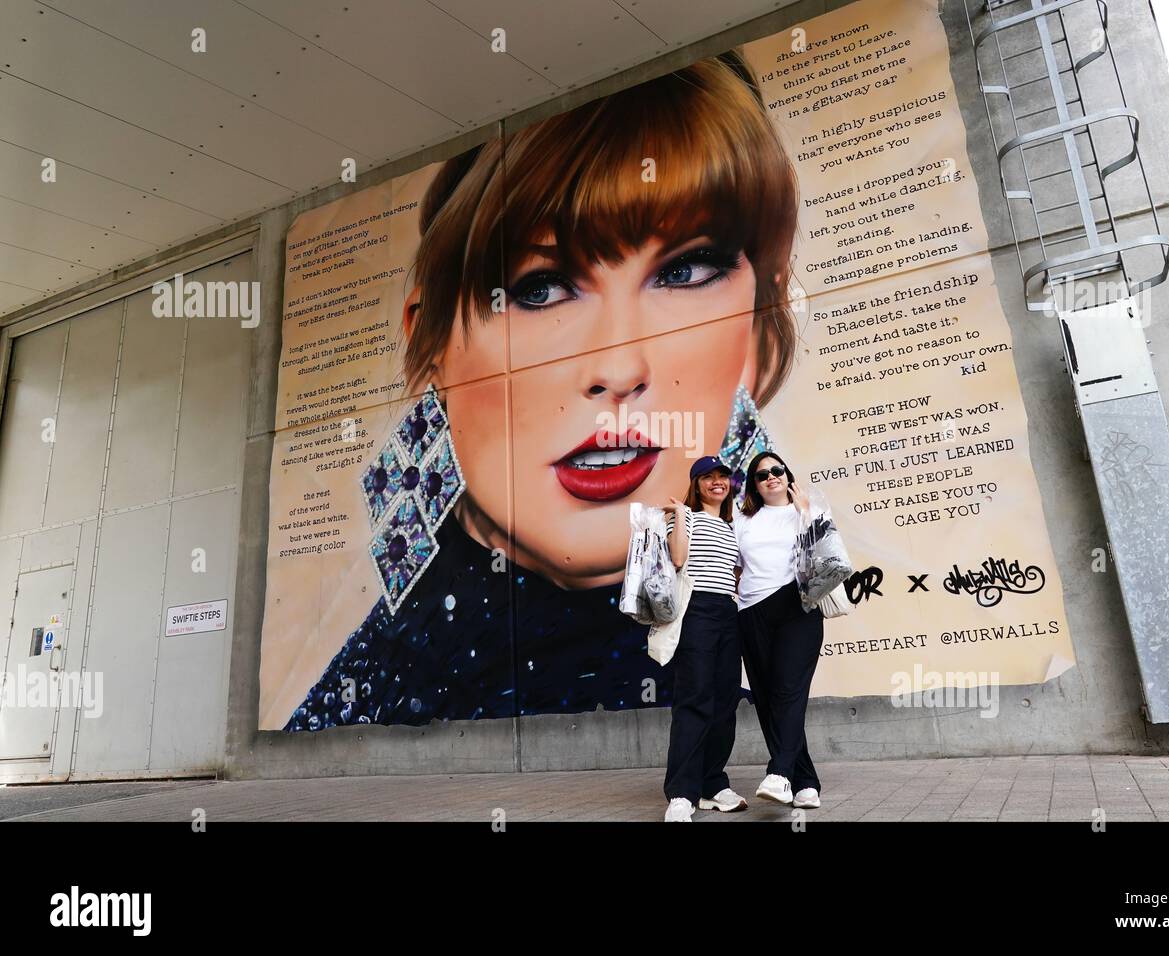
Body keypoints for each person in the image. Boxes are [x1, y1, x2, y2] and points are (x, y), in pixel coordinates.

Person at [283, 50, 800, 729]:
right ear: (430, 343)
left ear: (759, 331)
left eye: (685, 271)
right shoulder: (374, 688)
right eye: (540, 288)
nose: (618, 368)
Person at [734, 452, 823, 808]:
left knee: (788, 691)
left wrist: (806, 512)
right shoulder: (743, 519)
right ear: (754, 485)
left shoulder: (808, 508)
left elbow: (829, 556)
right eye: (761, 475)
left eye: (777, 470)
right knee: (768, 699)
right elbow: (735, 566)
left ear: (787, 474)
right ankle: (805, 782)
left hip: (797, 607)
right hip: (751, 612)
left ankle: (780, 773)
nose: (771, 477)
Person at [661, 456, 748, 822]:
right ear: (696, 484)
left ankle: (713, 785)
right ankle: (682, 792)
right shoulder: (685, 518)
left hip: (729, 612)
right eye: (707, 477)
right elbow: (678, 558)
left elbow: (738, 572)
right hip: (696, 610)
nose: (717, 483)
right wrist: (681, 516)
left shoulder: (733, 526)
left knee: (725, 701)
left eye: (722, 477)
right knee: (694, 698)